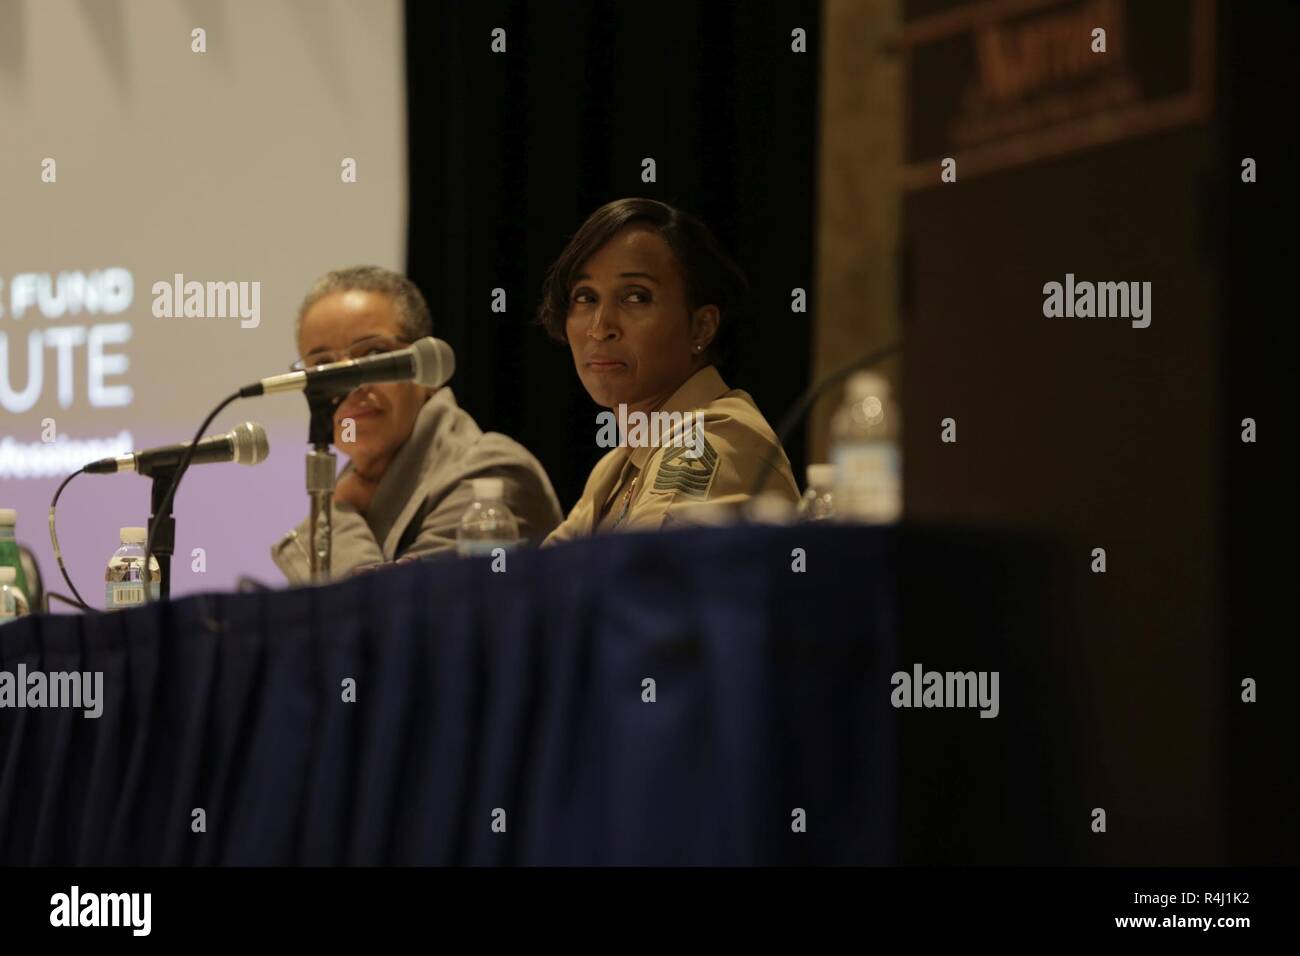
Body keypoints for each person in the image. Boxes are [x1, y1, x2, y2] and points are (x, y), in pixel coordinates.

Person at [271, 266, 562, 583]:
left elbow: (394, 621)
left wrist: (337, 510)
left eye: (374, 354)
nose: (350, 385)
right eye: (324, 365)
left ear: (428, 369)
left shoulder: (490, 472)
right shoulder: (355, 486)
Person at [539, 198, 799, 544]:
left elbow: (638, 587)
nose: (600, 328)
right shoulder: (616, 467)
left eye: (635, 297)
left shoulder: (712, 440)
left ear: (701, 327)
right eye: (586, 297)